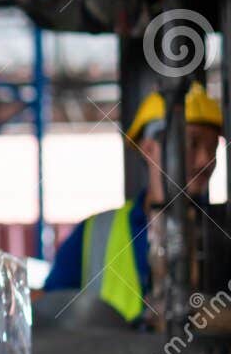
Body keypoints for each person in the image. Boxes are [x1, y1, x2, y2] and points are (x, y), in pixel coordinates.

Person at [41, 85, 223, 324]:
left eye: (213, 149)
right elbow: (50, 311)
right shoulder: (95, 231)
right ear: (149, 148)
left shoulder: (221, 230)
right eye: (192, 144)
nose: (205, 160)